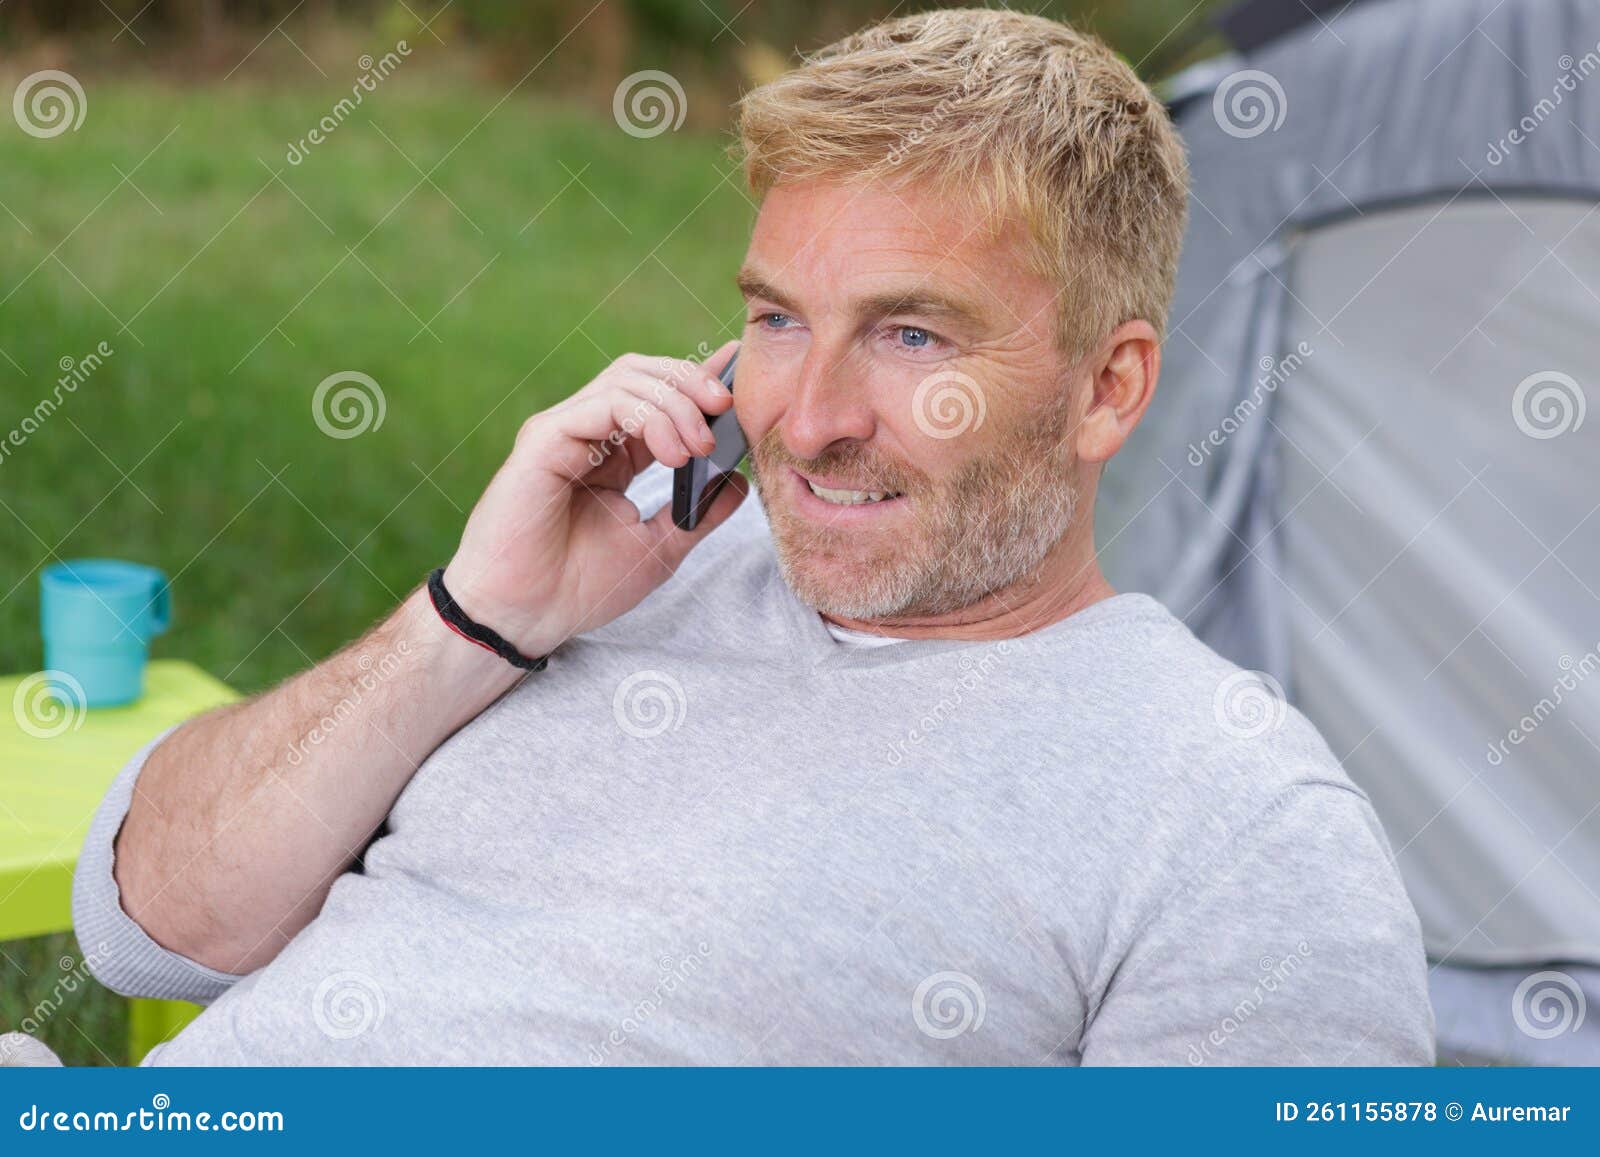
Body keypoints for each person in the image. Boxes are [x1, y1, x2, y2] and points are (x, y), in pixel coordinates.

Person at [75, 8, 1434, 1065]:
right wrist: (470, 622)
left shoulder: (1233, 823)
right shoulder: (615, 581)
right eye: (780, 319)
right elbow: (144, 925)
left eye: (913, 335)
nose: (811, 417)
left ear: (1108, 389)